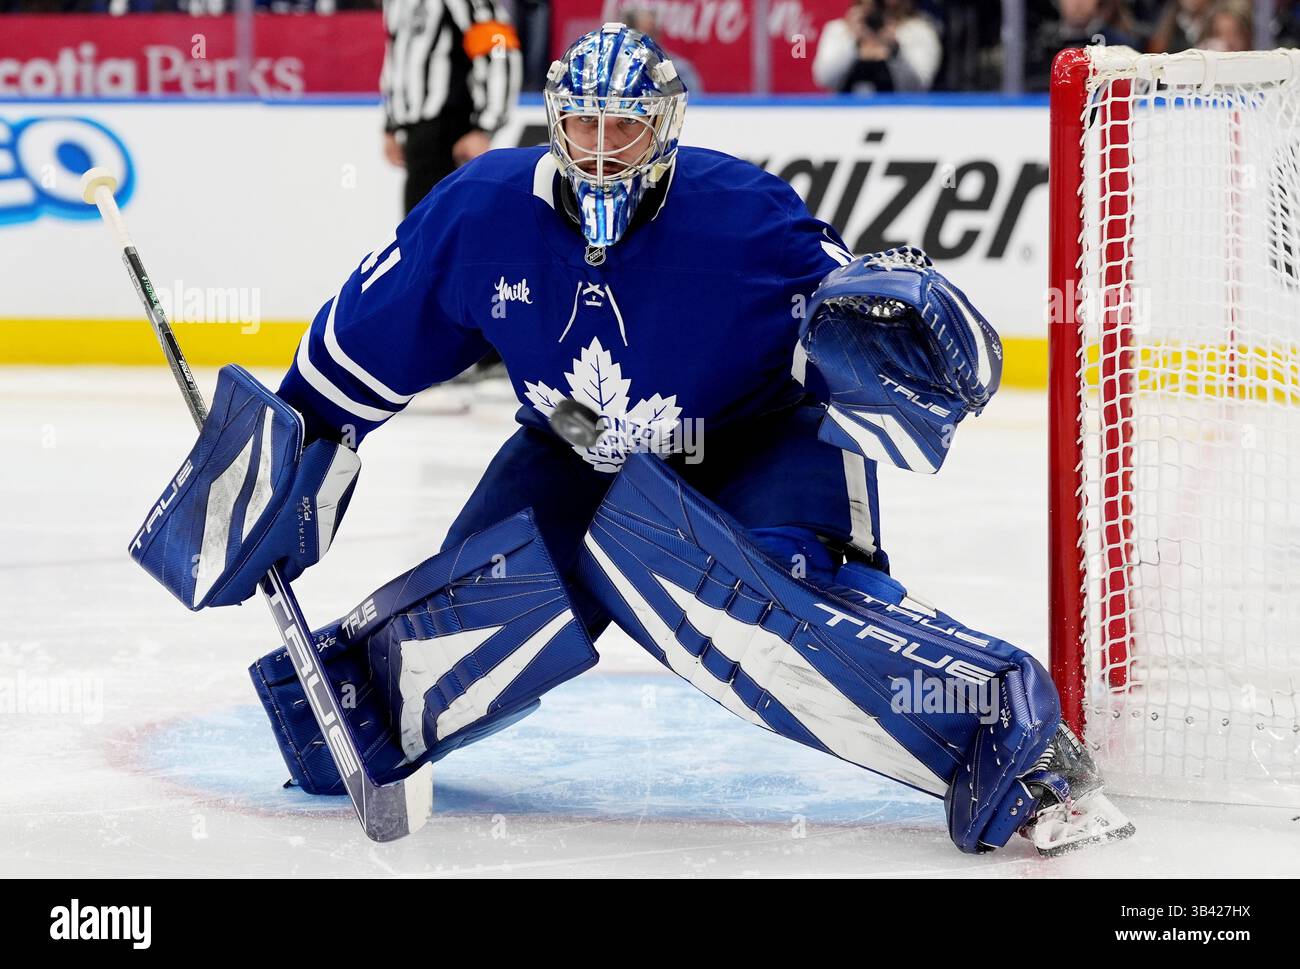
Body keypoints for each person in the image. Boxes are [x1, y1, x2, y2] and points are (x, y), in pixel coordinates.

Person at [130, 24, 1133, 856]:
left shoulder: (747, 221)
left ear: (666, 129)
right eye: (583, 126)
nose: (602, 149)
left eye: (625, 129)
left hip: (753, 437)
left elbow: (843, 348)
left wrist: (886, 372)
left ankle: (1008, 722)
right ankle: (345, 701)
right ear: (553, 125)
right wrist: (277, 471)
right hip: (578, 436)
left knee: (766, 600)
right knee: (488, 603)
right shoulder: (478, 215)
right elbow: (347, 366)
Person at [380, 0, 523, 215]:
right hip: (415, 136)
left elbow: (499, 50)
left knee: (443, 234)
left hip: (449, 132)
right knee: (416, 234)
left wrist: (484, 128)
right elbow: (398, 57)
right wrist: (392, 125)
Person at [813, 0, 942, 94]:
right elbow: (824, 77)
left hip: (901, 115)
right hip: (846, 115)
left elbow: (918, 84)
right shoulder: (840, 30)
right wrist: (854, 43)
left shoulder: (918, 31)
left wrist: (895, 49)